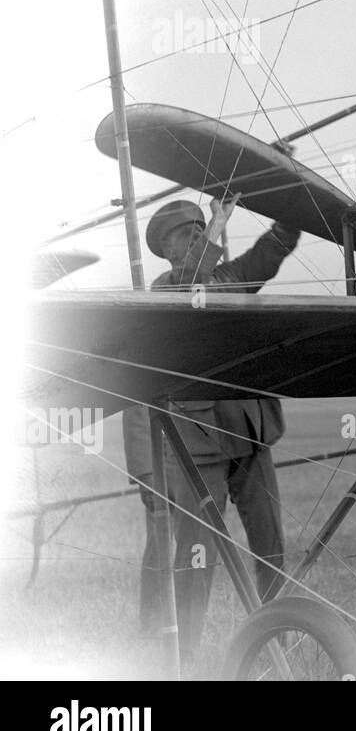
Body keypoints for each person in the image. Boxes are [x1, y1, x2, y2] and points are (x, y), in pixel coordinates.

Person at [123, 195, 300, 662]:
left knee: (271, 545)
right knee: (198, 555)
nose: (200, 233)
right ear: (168, 249)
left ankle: (276, 638)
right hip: (198, 445)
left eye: (201, 226)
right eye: (188, 232)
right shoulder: (164, 290)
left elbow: (271, 252)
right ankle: (184, 653)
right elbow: (191, 288)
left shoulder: (230, 277)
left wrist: (289, 201)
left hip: (252, 430)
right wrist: (220, 228)